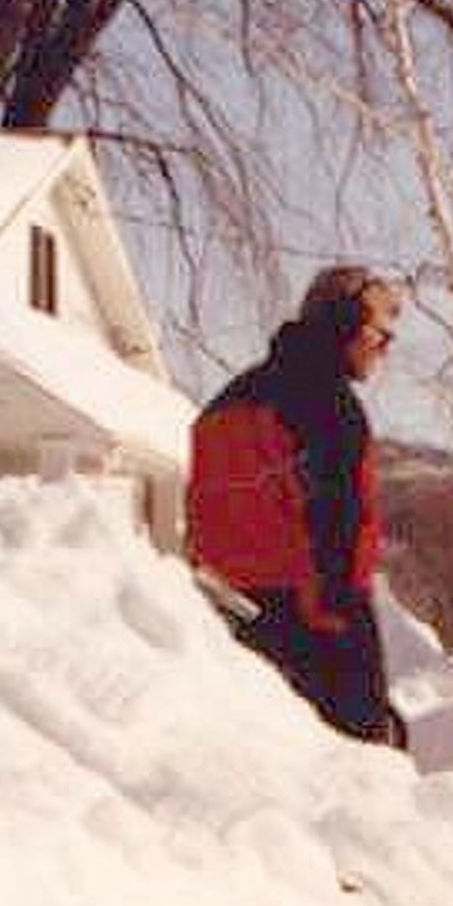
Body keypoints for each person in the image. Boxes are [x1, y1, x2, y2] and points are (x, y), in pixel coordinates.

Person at [187, 265, 408, 747]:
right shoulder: (329, 404)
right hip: (316, 618)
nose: (385, 349)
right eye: (379, 333)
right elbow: (337, 518)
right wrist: (344, 625)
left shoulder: (228, 400)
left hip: (228, 616)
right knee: (357, 772)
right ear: (344, 323)